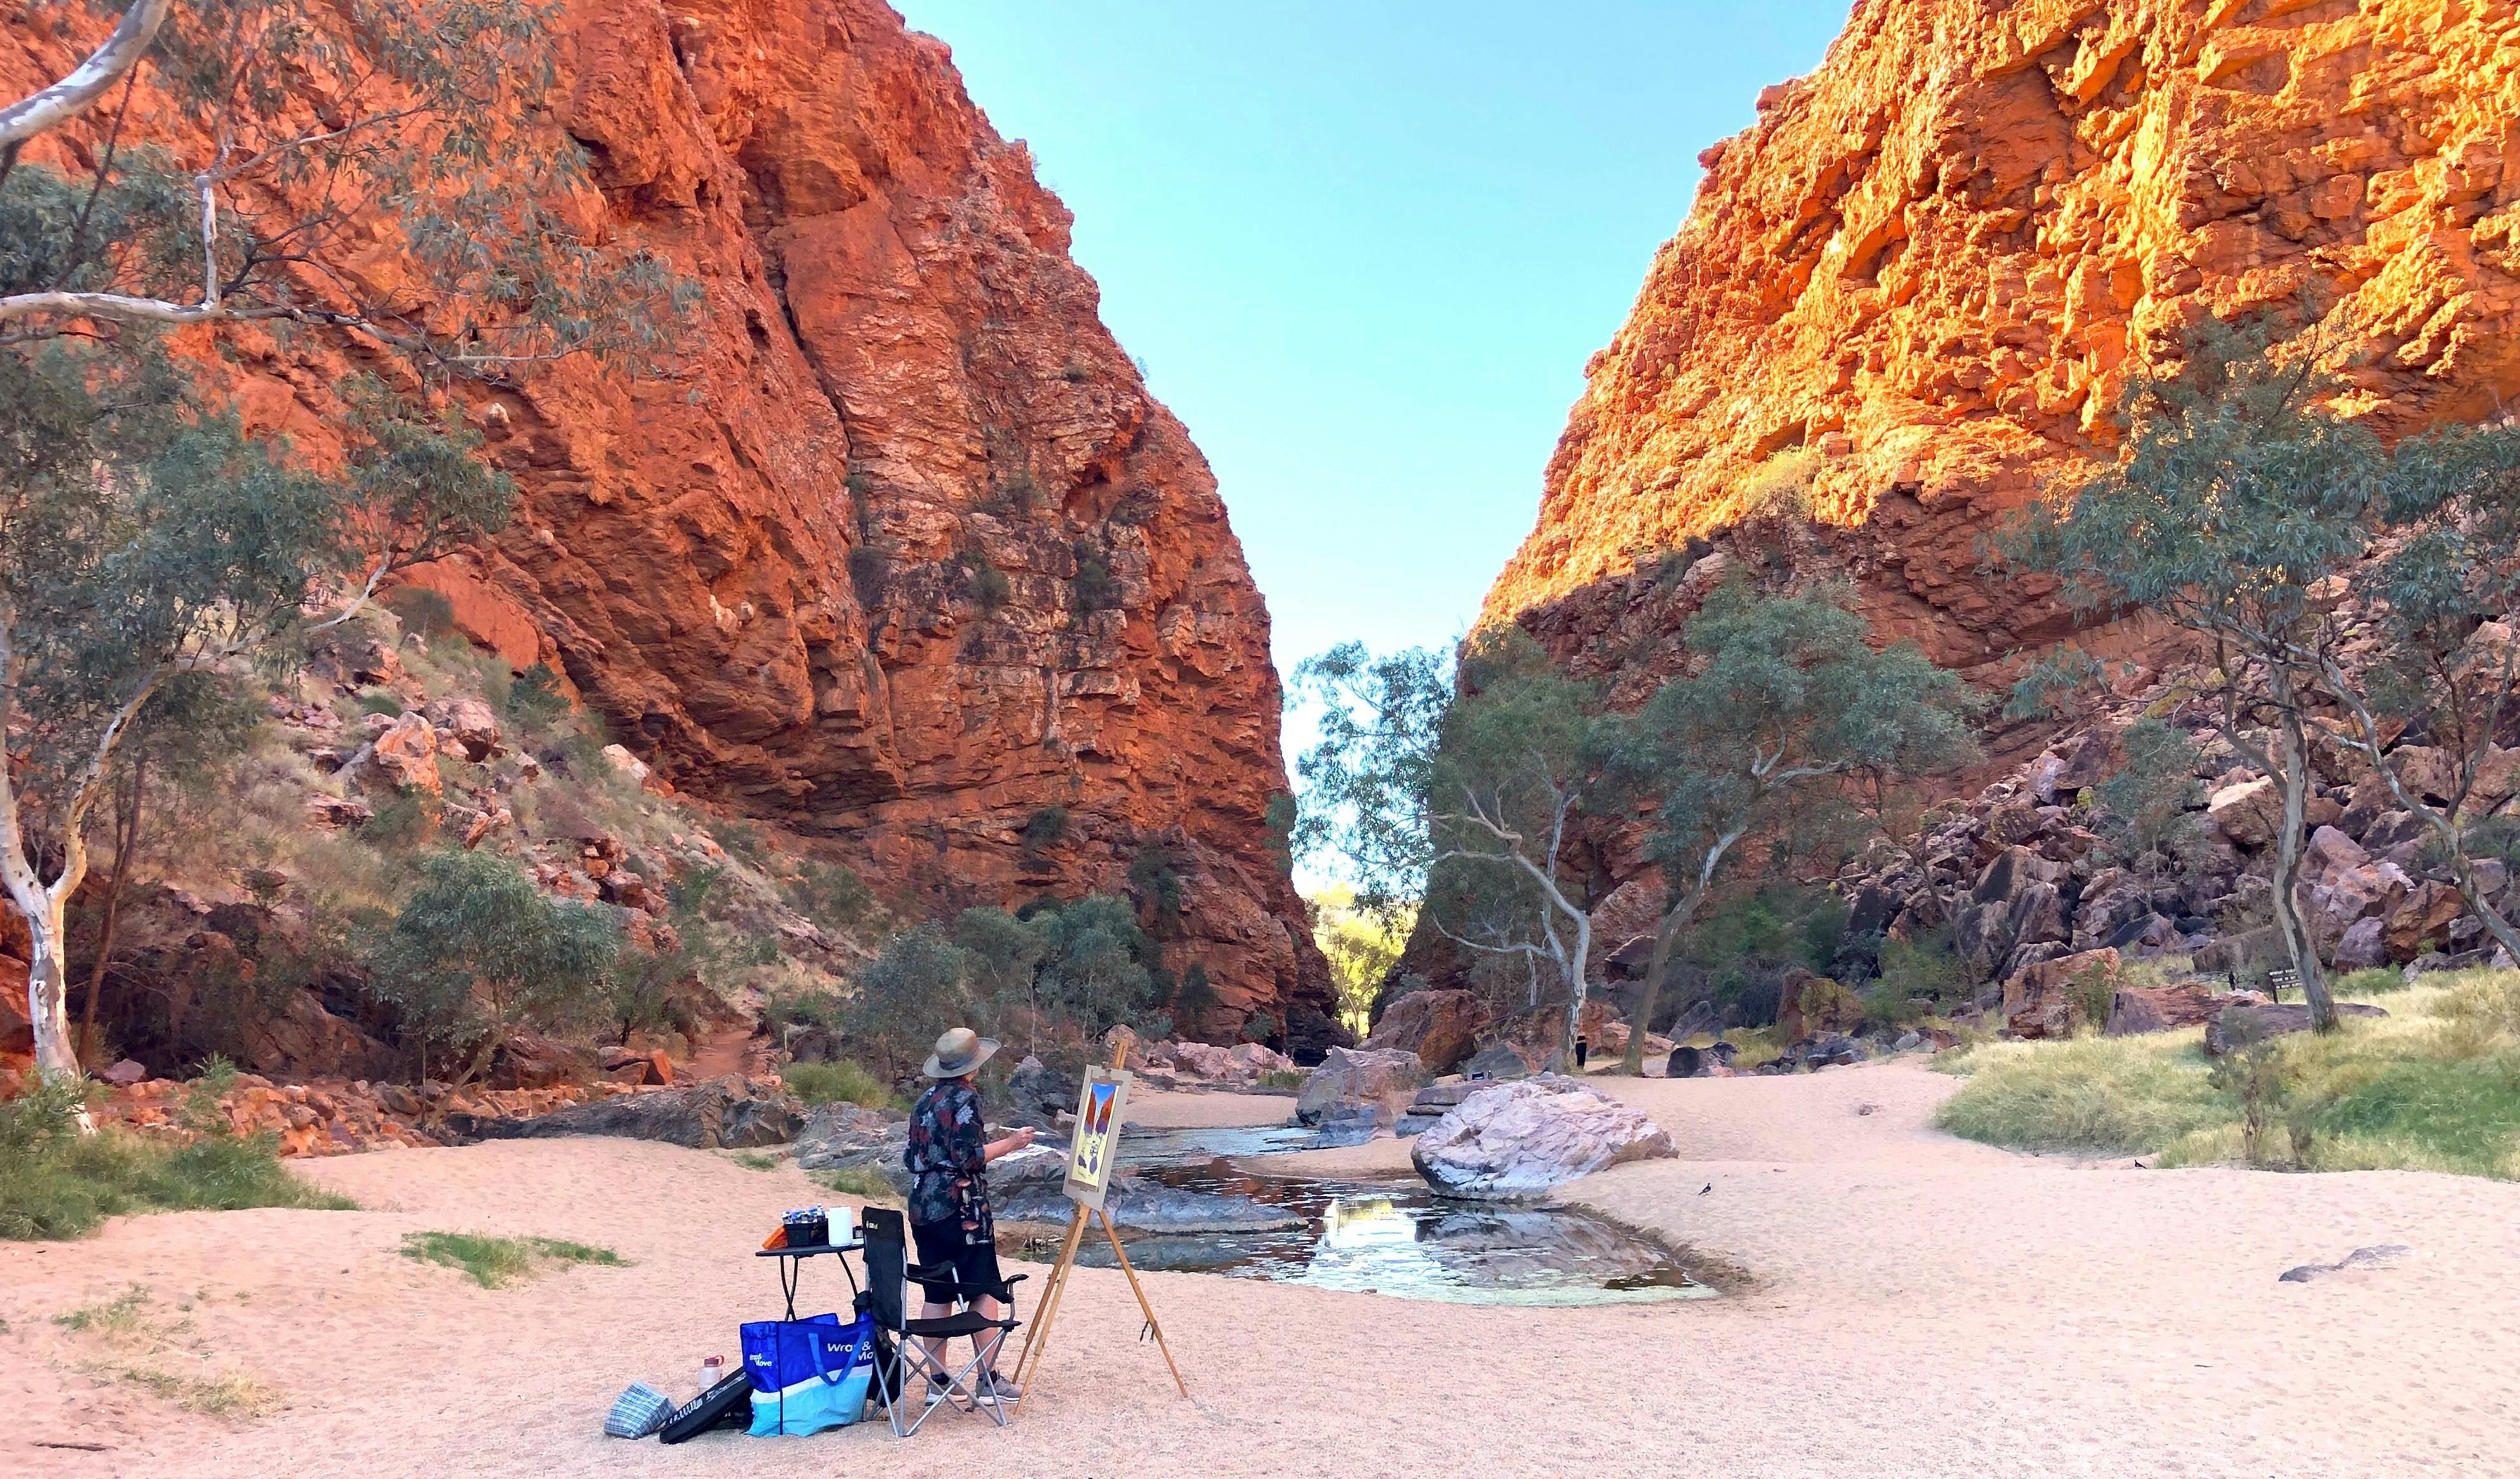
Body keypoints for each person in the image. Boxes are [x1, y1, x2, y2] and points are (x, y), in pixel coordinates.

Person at [903, 1027, 1036, 1406]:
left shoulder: (924, 1100)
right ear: (972, 1067)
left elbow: (912, 1155)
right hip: (961, 1209)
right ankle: (988, 1378)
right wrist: (1011, 1144)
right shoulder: (966, 1099)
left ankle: (937, 1382)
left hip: (922, 1207)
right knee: (982, 1286)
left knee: (937, 1288)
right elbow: (970, 1157)